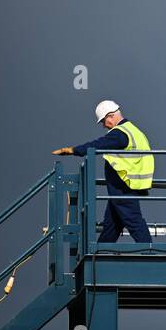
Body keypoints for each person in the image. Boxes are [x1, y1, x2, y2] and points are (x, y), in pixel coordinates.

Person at [53, 100, 153, 244]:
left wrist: (74, 150)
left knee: (133, 219)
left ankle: (149, 253)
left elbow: (98, 144)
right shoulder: (133, 131)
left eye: (103, 121)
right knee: (112, 224)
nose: (103, 125)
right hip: (126, 184)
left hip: (123, 185)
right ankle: (101, 254)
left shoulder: (120, 133)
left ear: (110, 116)